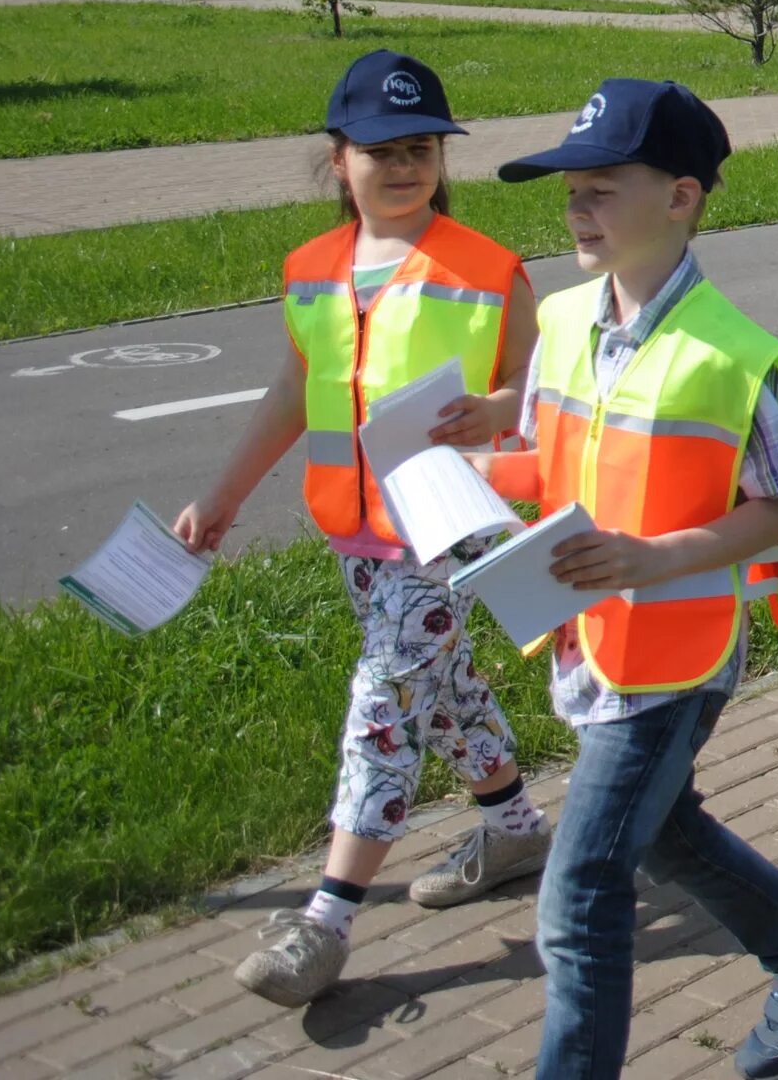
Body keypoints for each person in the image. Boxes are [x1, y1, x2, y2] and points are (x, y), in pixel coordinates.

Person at [480, 79, 778, 1080]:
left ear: (683, 198)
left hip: (672, 658)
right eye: (571, 191)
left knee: (580, 899)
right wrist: (468, 465)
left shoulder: (728, 355)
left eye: (603, 190)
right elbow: (549, 453)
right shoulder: (566, 320)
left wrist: (655, 559)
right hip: (585, 634)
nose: (577, 209)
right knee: (664, 835)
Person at [174, 51, 547, 1009]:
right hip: (357, 538)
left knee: (384, 708)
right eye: (381, 149)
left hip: (447, 539)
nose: (404, 164)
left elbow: (538, 393)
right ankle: (513, 826)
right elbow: (296, 391)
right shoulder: (311, 271)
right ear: (339, 160)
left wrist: (496, 409)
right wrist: (222, 497)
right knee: (446, 688)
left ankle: (328, 920)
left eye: (422, 146)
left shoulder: (487, 268)